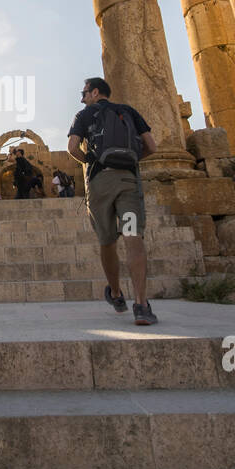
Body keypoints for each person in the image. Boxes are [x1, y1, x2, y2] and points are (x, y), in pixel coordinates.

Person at [67, 76, 159, 326]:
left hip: (99, 185)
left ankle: (117, 294)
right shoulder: (128, 111)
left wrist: (91, 162)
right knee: (132, 236)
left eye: (84, 92)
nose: (83, 97)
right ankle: (141, 305)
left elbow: (72, 148)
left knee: (107, 240)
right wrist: (130, 160)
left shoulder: (84, 114)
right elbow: (152, 146)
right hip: (128, 182)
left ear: (95, 92)